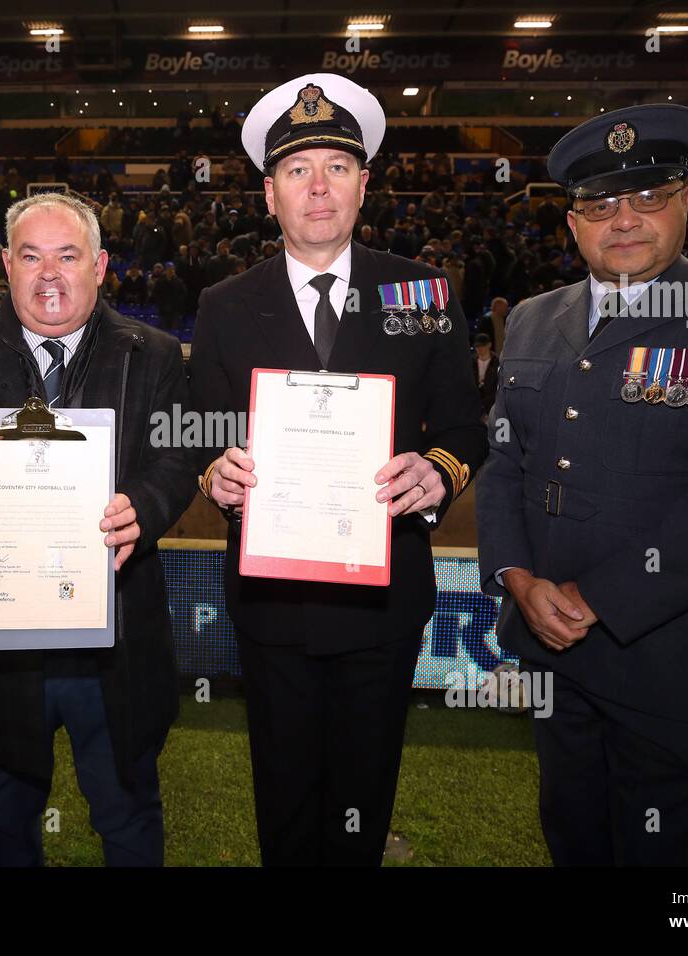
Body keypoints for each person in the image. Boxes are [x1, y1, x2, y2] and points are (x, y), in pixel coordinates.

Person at [476, 104, 688, 866]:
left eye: (647, 197)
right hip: (552, 656)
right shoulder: (533, 319)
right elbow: (505, 463)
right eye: (599, 206)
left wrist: (601, 600)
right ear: (571, 224)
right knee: (573, 840)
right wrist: (518, 577)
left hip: (673, 667)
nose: (623, 220)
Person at [189, 73, 487, 866]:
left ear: (364, 181)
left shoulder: (423, 292)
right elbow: (202, 429)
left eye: (335, 167)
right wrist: (211, 470)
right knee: (282, 799)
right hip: (271, 593)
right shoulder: (224, 303)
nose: (317, 187)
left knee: (363, 794)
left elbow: (465, 425)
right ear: (268, 193)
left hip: (383, 595)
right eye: (296, 170)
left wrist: (440, 470)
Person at [0, 192, 197, 867]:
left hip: (117, 640)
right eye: (32, 256)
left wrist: (142, 507)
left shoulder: (154, 356)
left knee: (127, 818)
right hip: (3, 643)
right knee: (4, 817)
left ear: (101, 265)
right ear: (6, 265)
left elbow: (178, 459)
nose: (49, 273)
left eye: (68, 256)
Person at [471, 332, 498, 418]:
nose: (480, 349)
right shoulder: (471, 362)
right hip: (474, 405)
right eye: (478, 346)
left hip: (492, 405)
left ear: (489, 345)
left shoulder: (497, 362)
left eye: (483, 345)